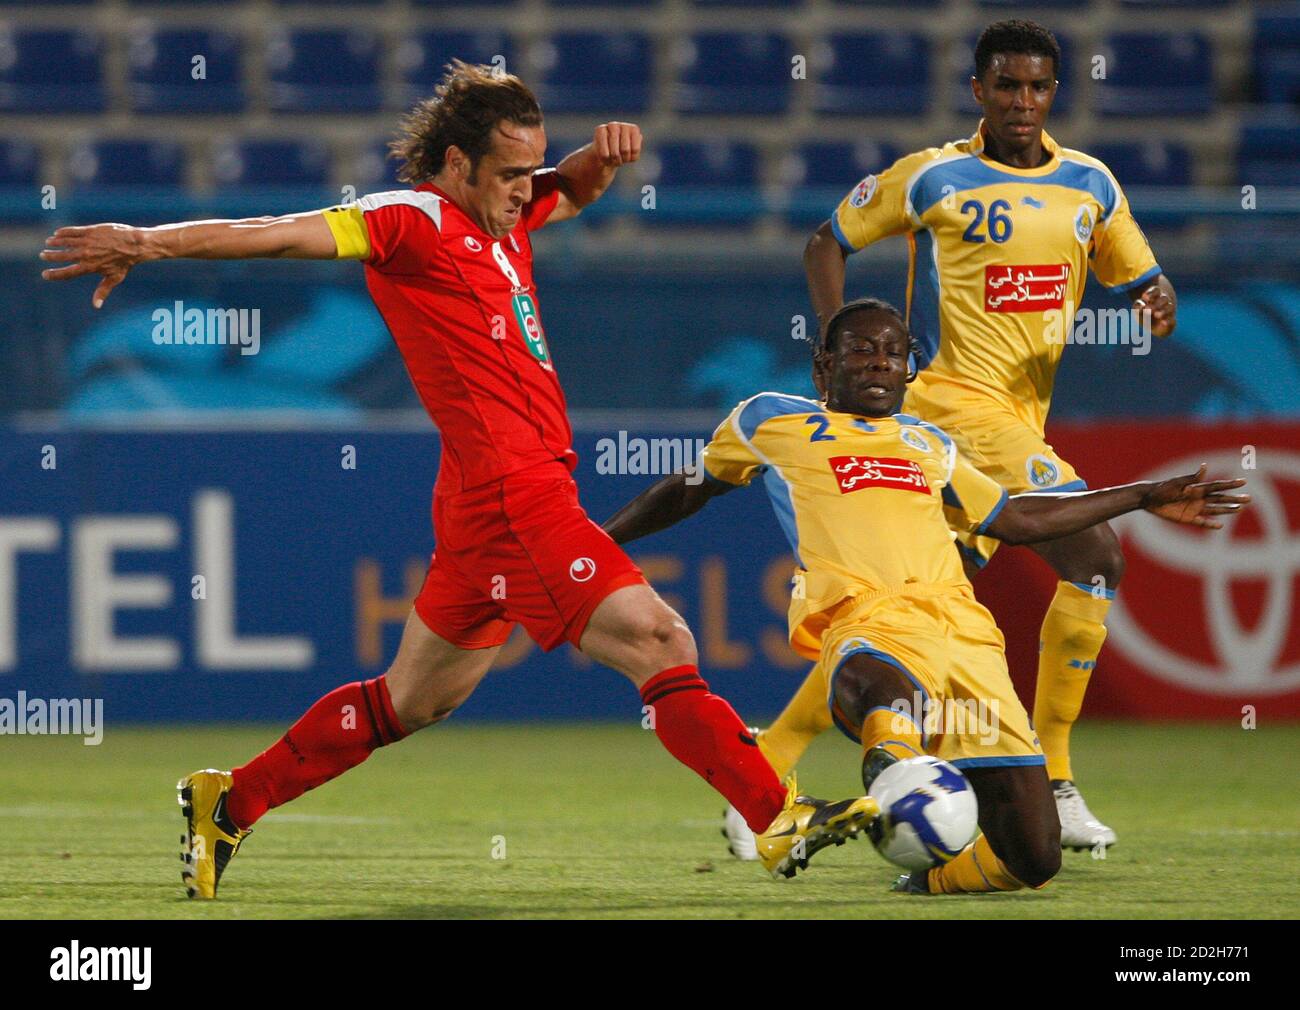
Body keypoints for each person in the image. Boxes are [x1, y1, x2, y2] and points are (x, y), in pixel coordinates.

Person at [40, 61, 876, 897]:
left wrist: (601, 156)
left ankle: (228, 802)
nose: (525, 188)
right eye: (510, 172)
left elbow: (573, 190)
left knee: (411, 701)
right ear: (453, 164)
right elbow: (280, 230)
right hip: (514, 495)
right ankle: (777, 816)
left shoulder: (508, 218)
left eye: (529, 168)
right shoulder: (411, 220)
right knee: (661, 641)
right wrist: (150, 243)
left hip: (492, 499)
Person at [603, 299, 1247, 893]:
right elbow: (688, 488)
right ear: (823, 367)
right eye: (859, 349)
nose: (879, 360)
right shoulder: (771, 419)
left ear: (909, 370)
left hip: (964, 633)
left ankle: (923, 874)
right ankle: (887, 780)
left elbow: (1017, 520)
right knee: (878, 685)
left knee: (1034, 856)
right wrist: (599, 541)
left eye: (892, 351)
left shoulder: (930, 445)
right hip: (864, 611)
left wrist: (1140, 496)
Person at [790, 18, 1178, 848]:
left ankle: (788, 768)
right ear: (979, 90)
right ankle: (1060, 777)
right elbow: (827, 241)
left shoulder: (1093, 184)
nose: (1023, 102)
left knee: (932, 602)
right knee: (1098, 553)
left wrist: (1156, 298)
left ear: (1054, 92)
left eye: (1038, 87)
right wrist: (839, 343)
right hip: (950, 403)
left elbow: (1137, 270)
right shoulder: (935, 176)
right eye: (1007, 86)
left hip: (1015, 418)